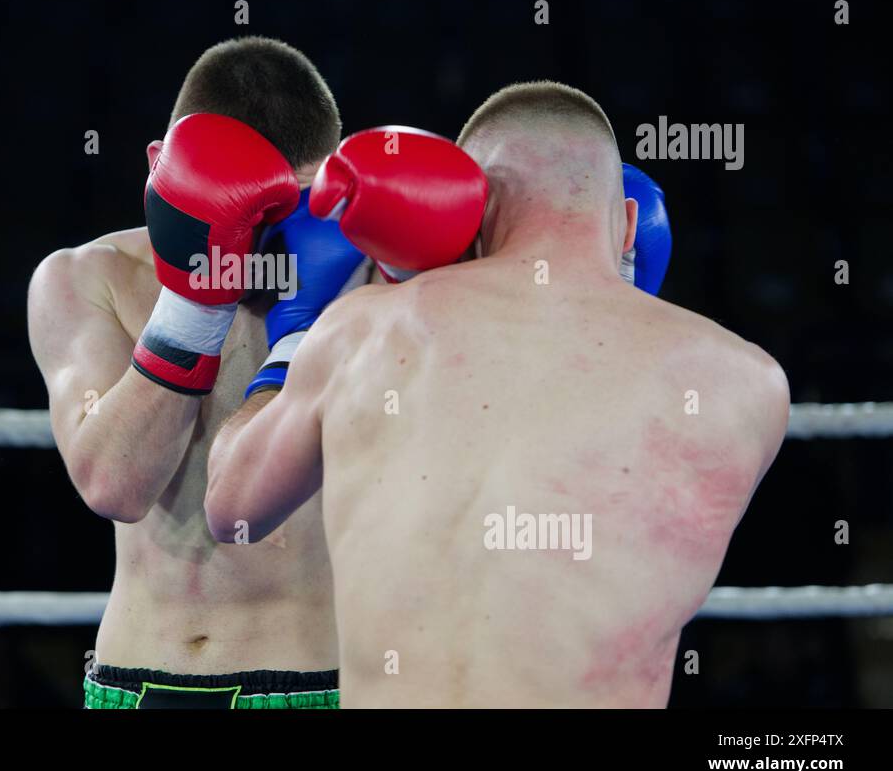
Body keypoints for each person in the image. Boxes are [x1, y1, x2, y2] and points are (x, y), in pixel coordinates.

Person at [205, 81, 790, 707]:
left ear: (466, 209)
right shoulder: (746, 383)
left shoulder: (364, 331)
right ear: (629, 226)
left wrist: (297, 336)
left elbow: (232, 511)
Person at [28, 37, 367, 708]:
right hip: (134, 678)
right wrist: (197, 296)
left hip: (313, 678)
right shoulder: (86, 279)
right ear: (163, 169)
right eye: (250, 207)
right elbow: (115, 484)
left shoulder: (373, 282)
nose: (266, 235)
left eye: (291, 208)